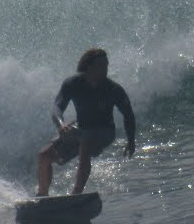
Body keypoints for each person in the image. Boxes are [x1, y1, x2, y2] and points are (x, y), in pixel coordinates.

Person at [36, 47, 136, 197]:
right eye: (101, 66)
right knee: (44, 155)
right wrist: (61, 124)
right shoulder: (73, 83)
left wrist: (131, 141)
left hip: (104, 132)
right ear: (89, 67)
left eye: (106, 65)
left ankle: (76, 194)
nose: (105, 70)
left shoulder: (113, 89)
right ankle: (42, 196)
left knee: (85, 141)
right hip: (81, 128)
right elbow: (57, 107)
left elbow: (128, 115)